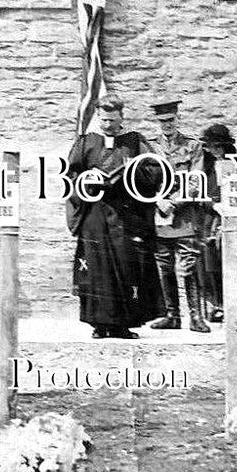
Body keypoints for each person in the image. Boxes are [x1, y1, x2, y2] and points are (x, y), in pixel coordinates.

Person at [65, 95, 164, 339]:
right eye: (104, 120)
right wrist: (88, 180)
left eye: (112, 120)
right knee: (96, 269)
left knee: (127, 268)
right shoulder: (86, 142)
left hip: (126, 215)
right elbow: (71, 175)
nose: (107, 125)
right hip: (95, 215)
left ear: (121, 117)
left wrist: (133, 170)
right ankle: (99, 324)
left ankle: (124, 325)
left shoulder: (135, 141)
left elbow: (155, 170)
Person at [144, 100, 209, 333]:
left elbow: (196, 180)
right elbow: (141, 179)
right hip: (159, 215)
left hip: (184, 216)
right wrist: (157, 200)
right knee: (164, 265)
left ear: (177, 118)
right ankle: (172, 315)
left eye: (171, 120)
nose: (167, 125)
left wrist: (175, 202)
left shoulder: (192, 146)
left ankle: (196, 317)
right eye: (162, 121)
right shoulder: (149, 148)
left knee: (189, 265)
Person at [199, 122, 237, 321]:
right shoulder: (205, 167)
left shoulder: (234, 165)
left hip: (230, 215)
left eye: (218, 146)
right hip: (209, 217)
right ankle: (216, 304)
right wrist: (213, 204)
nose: (214, 150)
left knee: (229, 260)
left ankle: (232, 303)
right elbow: (200, 192)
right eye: (211, 146)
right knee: (210, 261)